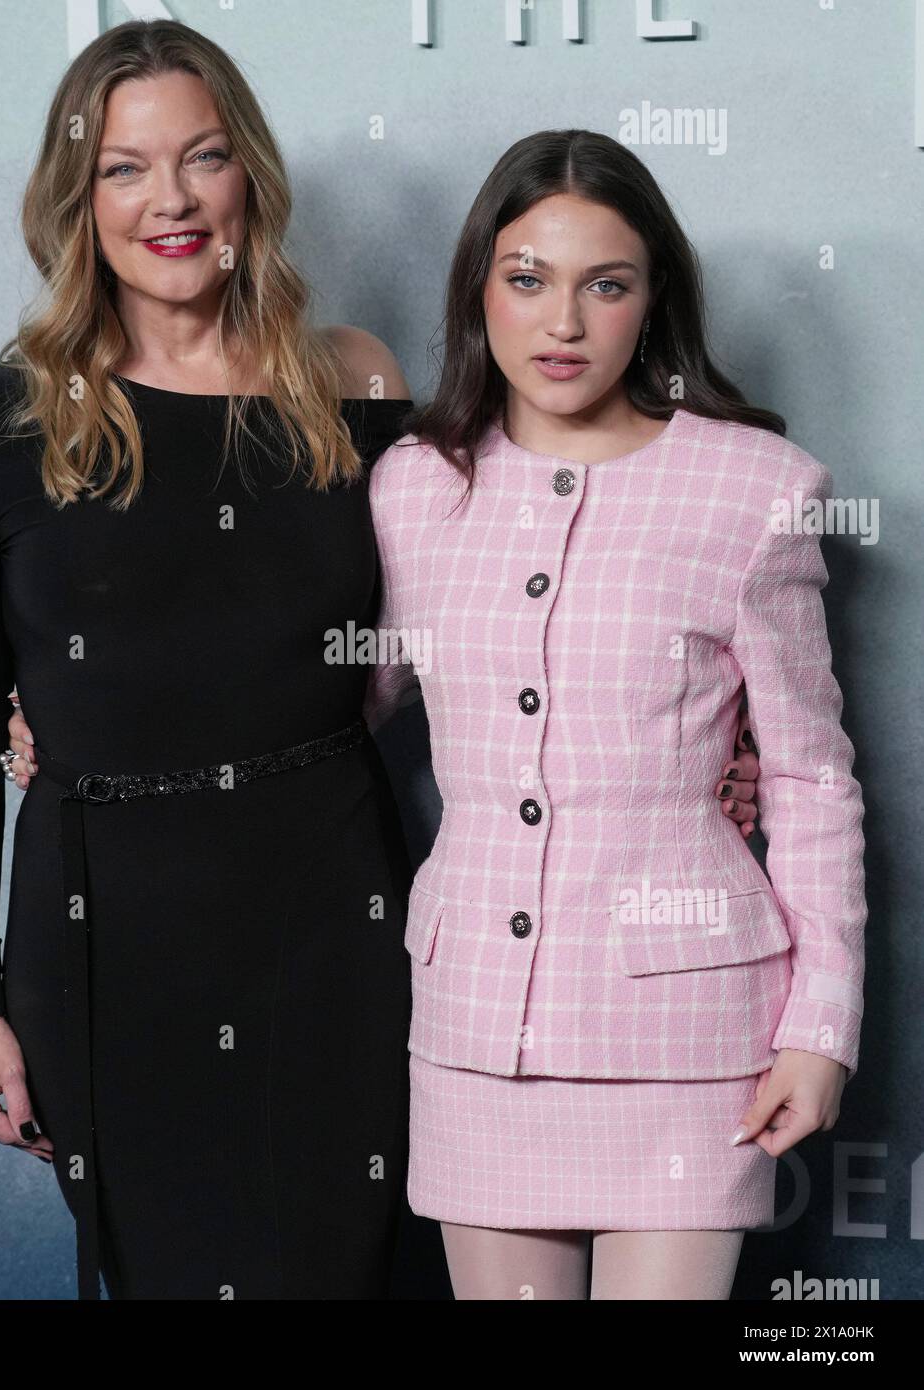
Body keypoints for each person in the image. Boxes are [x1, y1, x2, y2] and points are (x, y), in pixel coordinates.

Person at [0, 18, 419, 1300]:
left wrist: (711, 744)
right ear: (76, 199)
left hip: (333, 918)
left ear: (249, 173)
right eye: (124, 169)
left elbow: (455, 637)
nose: (171, 201)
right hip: (105, 933)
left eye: (201, 158)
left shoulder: (353, 383)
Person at [361, 129, 867, 1300]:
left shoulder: (752, 489)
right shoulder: (412, 485)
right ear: (478, 290)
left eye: (606, 284)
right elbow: (336, 705)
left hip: (688, 1031)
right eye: (526, 280)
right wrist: (94, 712)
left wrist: (821, 1022)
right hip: (477, 1022)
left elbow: (807, 776)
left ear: (653, 304)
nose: (562, 325)